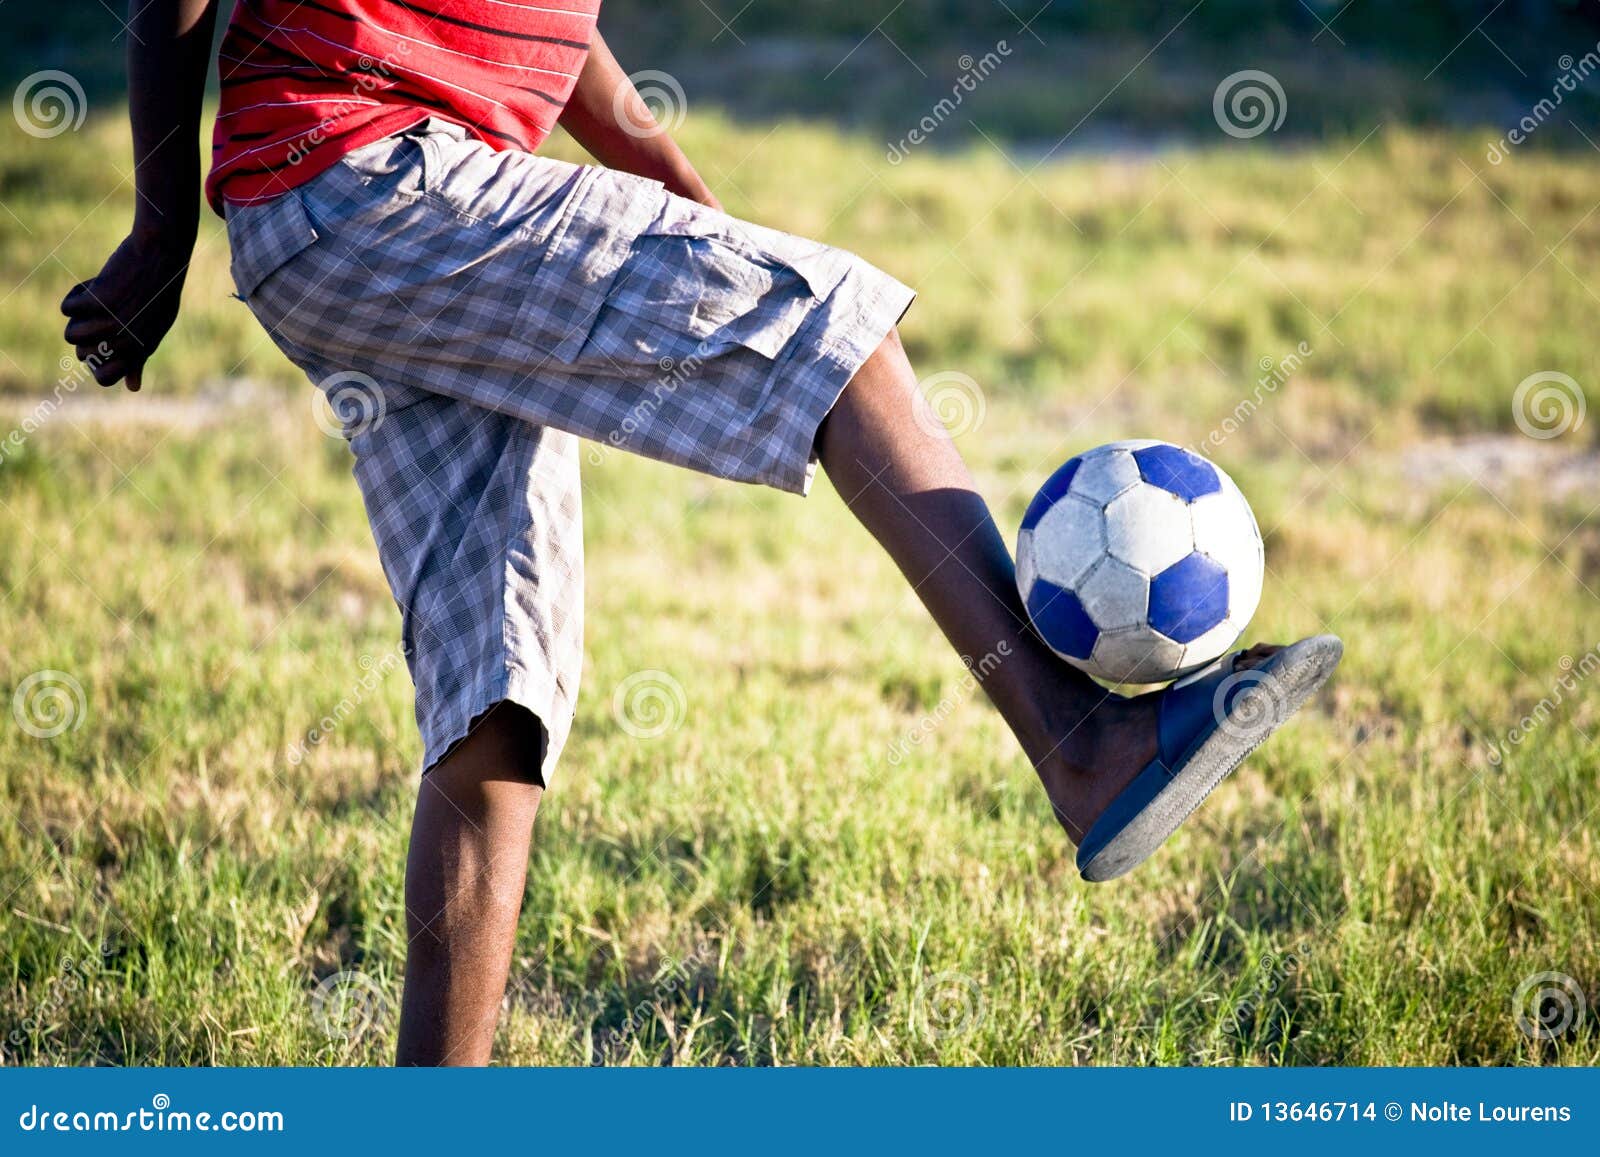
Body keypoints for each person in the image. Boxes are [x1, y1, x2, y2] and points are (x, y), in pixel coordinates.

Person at [60, 0, 1341, 1065]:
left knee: (497, 681)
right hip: (375, 172)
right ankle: (1084, 749)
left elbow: (541, 22)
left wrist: (659, 172)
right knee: (831, 327)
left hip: (350, 212)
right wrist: (160, 228)